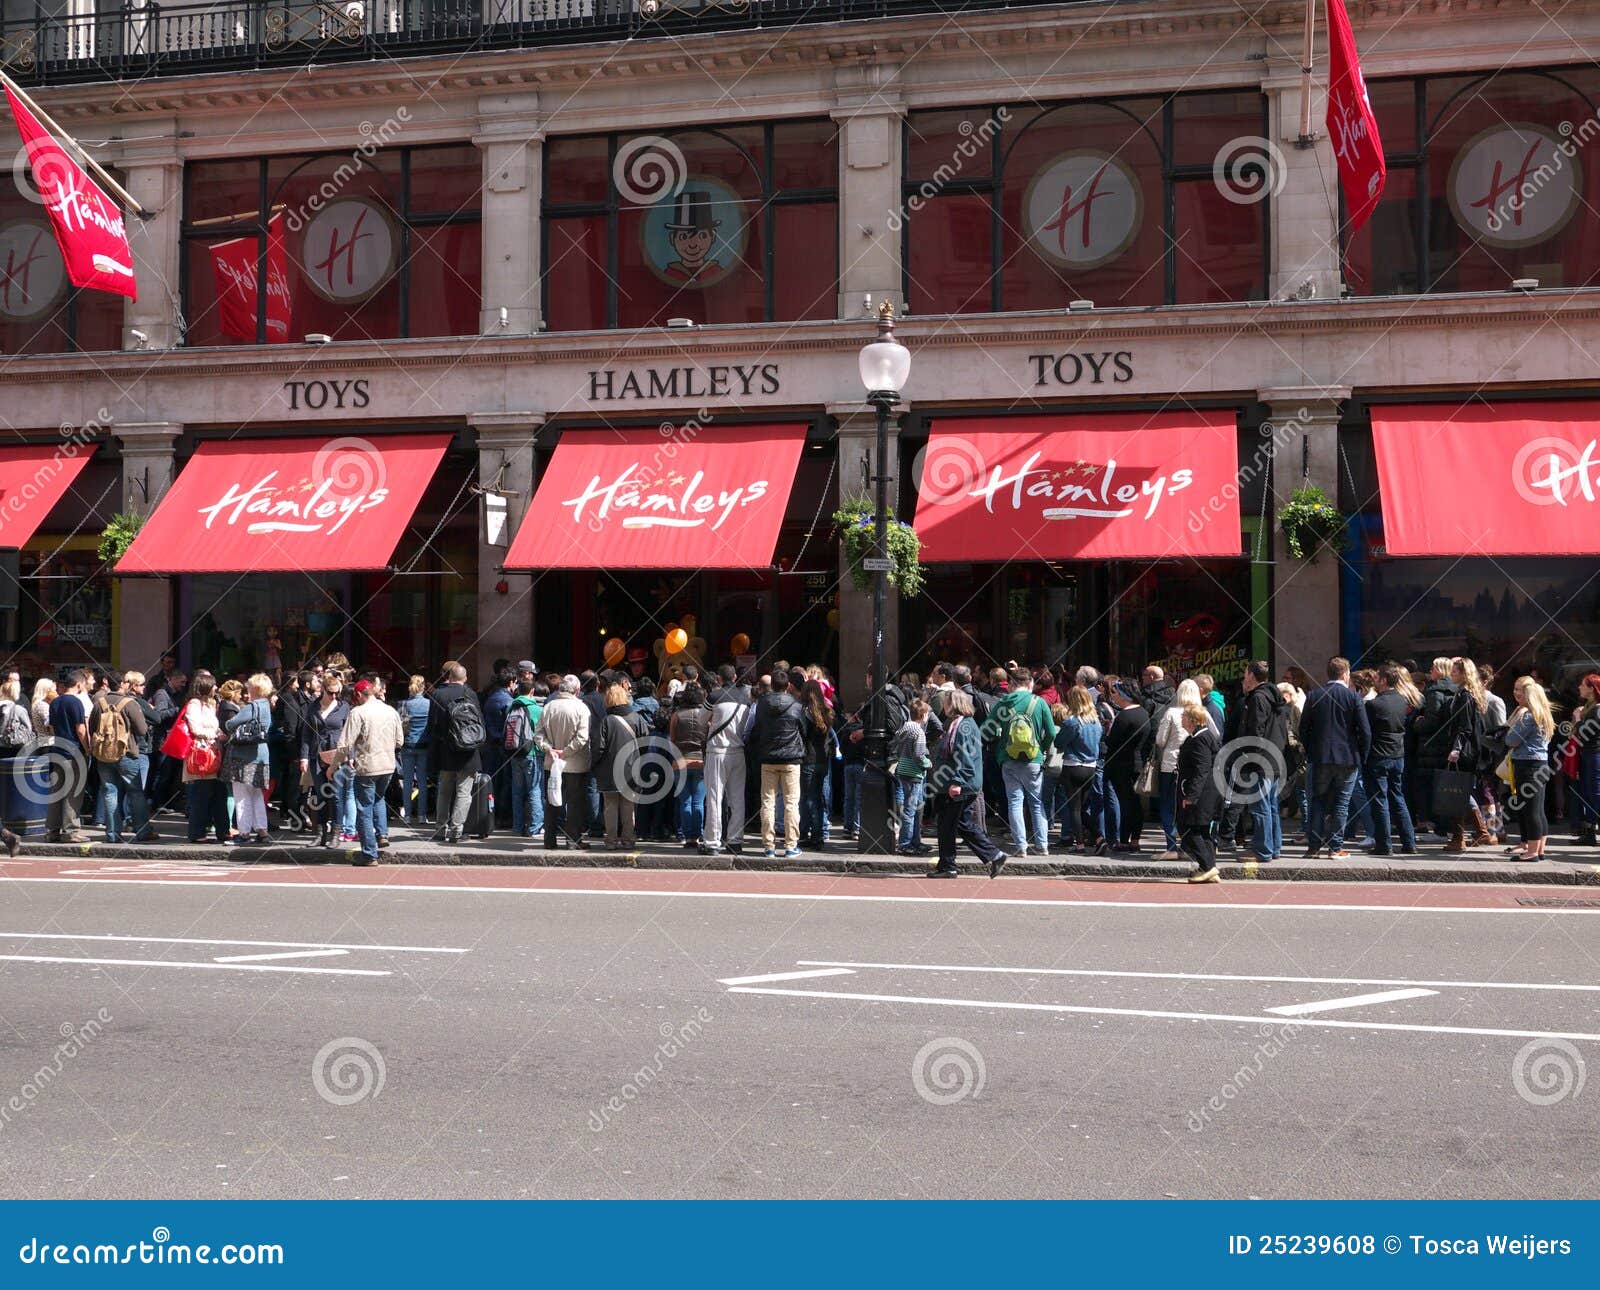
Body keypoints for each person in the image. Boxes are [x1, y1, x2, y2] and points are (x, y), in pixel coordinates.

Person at [927, 688, 1006, 879]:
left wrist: (957, 782)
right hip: (953, 783)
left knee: (949, 824)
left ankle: (950, 865)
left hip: (958, 784)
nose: (944, 706)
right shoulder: (957, 723)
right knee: (959, 823)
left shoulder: (964, 726)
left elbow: (965, 756)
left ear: (953, 704)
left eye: (946, 702)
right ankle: (989, 856)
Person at [1298, 657, 1371, 858]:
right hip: (1347, 758)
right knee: (1342, 803)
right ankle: (1335, 847)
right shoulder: (1353, 697)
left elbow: (1303, 728)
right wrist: (1362, 755)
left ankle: (1313, 847)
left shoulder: (1314, 696)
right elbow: (1365, 731)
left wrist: (1311, 748)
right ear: (1346, 674)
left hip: (1320, 757)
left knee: (1317, 801)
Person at [337, 677, 404, 866]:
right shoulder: (390, 711)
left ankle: (369, 854)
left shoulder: (358, 712)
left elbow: (344, 745)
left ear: (358, 695)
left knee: (364, 808)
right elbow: (399, 741)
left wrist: (333, 767)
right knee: (378, 799)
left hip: (367, 767)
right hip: (387, 765)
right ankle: (382, 834)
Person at [992, 666, 1057, 858]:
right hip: (1033, 758)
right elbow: (1051, 732)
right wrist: (1042, 748)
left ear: (1011, 685)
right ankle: (1042, 845)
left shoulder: (1004, 702)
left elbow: (987, 727)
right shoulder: (1039, 702)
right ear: (1030, 684)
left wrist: (998, 736)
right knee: (1037, 803)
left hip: (1008, 757)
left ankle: (1021, 846)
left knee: (1015, 802)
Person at [89, 671, 159, 846]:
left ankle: (112, 833)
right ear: (122, 684)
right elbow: (142, 730)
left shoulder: (99, 703)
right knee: (136, 793)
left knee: (110, 792)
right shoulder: (130, 703)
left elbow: (92, 728)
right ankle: (142, 831)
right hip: (127, 753)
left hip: (104, 754)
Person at [748, 667, 805, 859]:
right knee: (791, 803)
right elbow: (803, 729)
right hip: (791, 758)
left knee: (767, 803)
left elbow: (756, 729)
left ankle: (769, 846)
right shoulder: (796, 705)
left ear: (771, 685)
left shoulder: (762, 704)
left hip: (768, 757)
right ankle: (791, 845)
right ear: (788, 685)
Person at [1234, 660, 1288, 862]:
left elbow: (1255, 730)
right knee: (1270, 805)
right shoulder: (1276, 696)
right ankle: (1273, 847)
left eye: (1246, 673)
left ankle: (1263, 850)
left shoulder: (1258, 698)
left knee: (1260, 806)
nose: (1244, 677)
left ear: (1251, 676)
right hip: (1274, 758)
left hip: (1260, 760)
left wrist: (1248, 757)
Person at [1152, 678, 1210, 860]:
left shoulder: (1171, 713)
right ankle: (1187, 846)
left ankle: (1171, 846)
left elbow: (1160, 740)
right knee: (1187, 808)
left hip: (1171, 765)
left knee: (1168, 806)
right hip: (1192, 768)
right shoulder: (1203, 713)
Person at [1363, 664, 1418, 857]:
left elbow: (1365, 732)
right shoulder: (1402, 701)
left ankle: (1384, 844)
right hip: (1398, 755)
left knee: (1379, 800)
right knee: (1398, 797)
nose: (1375, 680)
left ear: (1384, 680)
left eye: (1377, 678)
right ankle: (1409, 842)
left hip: (1378, 757)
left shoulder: (1373, 704)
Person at [430, 661, 486, 845]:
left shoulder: (438, 694)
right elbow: (479, 724)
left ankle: (440, 829)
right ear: (465, 678)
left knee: (444, 791)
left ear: (450, 677)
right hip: (468, 752)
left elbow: (433, 726)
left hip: (446, 750)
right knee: (464, 792)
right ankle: (456, 830)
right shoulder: (471, 694)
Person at [536, 675, 591, 850]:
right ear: (577, 690)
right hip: (575, 764)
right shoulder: (581, 708)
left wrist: (549, 749)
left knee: (552, 801)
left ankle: (550, 840)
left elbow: (538, 734)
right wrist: (565, 752)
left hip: (551, 763)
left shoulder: (549, 707)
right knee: (575, 804)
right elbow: (582, 738)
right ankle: (572, 839)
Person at [1504, 676, 1556, 861]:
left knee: (1530, 810)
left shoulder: (1529, 716)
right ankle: (1539, 850)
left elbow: (1511, 740)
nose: (1519, 695)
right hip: (1540, 764)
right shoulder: (1544, 714)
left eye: (1523, 692)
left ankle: (1532, 852)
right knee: (1538, 810)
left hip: (1527, 765)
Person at [702, 665, 751, 856]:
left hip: (717, 751)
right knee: (737, 798)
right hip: (738, 752)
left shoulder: (714, 696)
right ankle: (736, 841)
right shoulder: (745, 699)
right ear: (736, 677)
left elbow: (700, 720)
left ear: (719, 679)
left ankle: (712, 842)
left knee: (715, 797)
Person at [300, 671, 351, 847]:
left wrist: (349, 757)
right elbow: (306, 734)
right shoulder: (312, 707)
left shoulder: (343, 707)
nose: (334, 696)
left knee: (336, 795)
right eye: (330, 692)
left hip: (337, 756)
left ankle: (336, 834)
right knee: (320, 795)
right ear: (323, 690)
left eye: (337, 692)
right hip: (316, 754)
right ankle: (320, 834)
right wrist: (304, 757)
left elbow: (348, 734)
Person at [1409, 656, 1460, 835]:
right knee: (1444, 787)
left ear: (1440, 670)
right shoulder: (1457, 690)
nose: (1430, 671)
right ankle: (1445, 825)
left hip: (1430, 747)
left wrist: (1417, 723)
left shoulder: (1434, 692)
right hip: (1448, 745)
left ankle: (1429, 823)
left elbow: (1431, 721)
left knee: (1425, 786)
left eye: (1432, 668)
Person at [222, 674, 274, 846]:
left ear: (255, 689)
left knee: (241, 795)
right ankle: (262, 830)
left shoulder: (252, 706)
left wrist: (229, 725)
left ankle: (244, 833)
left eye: (249, 686)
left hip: (244, 756)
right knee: (257, 794)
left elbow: (231, 724)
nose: (247, 690)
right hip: (262, 756)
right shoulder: (266, 705)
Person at [596, 682, 648, 849]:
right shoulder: (636, 718)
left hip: (609, 769)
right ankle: (628, 839)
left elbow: (600, 747)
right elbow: (645, 742)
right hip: (632, 768)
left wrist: (595, 765)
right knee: (628, 806)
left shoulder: (606, 721)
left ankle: (611, 841)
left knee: (610, 806)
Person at [1175, 702, 1223, 883]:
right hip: (1206, 792)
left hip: (1202, 794)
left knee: (1188, 828)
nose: (1181, 718)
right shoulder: (1199, 736)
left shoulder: (1200, 738)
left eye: (1184, 716)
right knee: (1202, 831)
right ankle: (1208, 868)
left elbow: (1201, 769)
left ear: (1192, 720)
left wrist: (1191, 796)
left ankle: (1208, 867)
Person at [1052, 686, 1102, 853]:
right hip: (1090, 767)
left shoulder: (1072, 721)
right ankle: (1099, 837)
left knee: (1074, 808)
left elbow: (1059, 743)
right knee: (1081, 808)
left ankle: (1080, 844)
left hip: (1073, 765)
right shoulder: (1096, 721)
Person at [182, 670, 229, 844]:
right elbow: (195, 729)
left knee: (218, 793)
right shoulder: (194, 704)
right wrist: (215, 735)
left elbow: (212, 726)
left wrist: (219, 733)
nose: (216, 687)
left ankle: (223, 830)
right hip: (201, 755)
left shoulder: (208, 704)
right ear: (205, 686)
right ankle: (197, 832)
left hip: (213, 753)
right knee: (201, 795)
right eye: (213, 684)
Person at [45, 669, 91, 843]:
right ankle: (71, 831)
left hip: (57, 750)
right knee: (73, 792)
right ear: (79, 684)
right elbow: (80, 729)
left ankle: (52, 831)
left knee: (56, 791)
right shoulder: (76, 702)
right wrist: (87, 749)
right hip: (73, 753)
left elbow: (52, 728)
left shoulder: (55, 702)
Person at [1103, 680, 1149, 851]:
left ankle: (1123, 839)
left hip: (1120, 764)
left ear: (1124, 695)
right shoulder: (1143, 713)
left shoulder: (1124, 716)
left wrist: (1108, 730)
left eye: (1115, 693)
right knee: (1135, 803)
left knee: (1125, 803)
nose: (1113, 696)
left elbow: (1111, 740)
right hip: (1137, 761)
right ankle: (1135, 839)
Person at [795, 680, 834, 850]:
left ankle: (804, 834)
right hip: (823, 760)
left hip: (808, 759)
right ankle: (818, 835)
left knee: (806, 798)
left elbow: (801, 736)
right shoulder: (827, 711)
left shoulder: (803, 712)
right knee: (817, 798)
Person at [507, 677, 546, 840]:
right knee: (534, 789)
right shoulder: (536, 709)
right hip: (532, 753)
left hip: (514, 753)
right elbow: (542, 732)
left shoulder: (511, 706)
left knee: (517, 791)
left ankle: (517, 826)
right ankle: (535, 827)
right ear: (532, 691)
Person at [892, 696, 931, 855]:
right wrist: (928, 763)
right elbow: (919, 755)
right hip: (914, 773)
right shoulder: (919, 731)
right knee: (911, 809)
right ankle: (906, 843)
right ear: (923, 716)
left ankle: (915, 841)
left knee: (916, 807)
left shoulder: (904, 728)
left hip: (903, 770)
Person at [480, 663, 516, 827]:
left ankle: (490, 814)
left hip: (490, 745)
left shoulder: (490, 699)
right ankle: (503, 816)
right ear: (511, 683)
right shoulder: (508, 701)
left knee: (493, 781)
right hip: (504, 747)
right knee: (506, 782)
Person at [397, 674, 433, 826]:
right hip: (424, 745)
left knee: (408, 781)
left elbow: (398, 726)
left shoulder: (402, 704)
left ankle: (407, 815)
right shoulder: (429, 704)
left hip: (407, 746)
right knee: (423, 782)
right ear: (423, 687)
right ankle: (422, 815)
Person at [0, 677, 30, 854]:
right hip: (13, 756)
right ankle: (8, 834)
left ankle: (7, 835)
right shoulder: (18, 709)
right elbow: (28, 731)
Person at [1570, 673, 1600, 849]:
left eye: (1583, 685)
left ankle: (1591, 830)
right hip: (1587, 754)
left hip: (1595, 755)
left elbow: (1588, 733)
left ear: (1592, 688)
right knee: (1588, 793)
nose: (1579, 687)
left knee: (1595, 793)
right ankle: (1589, 832)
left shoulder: (1596, 709)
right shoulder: (1589, 707)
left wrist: (1579, 719)